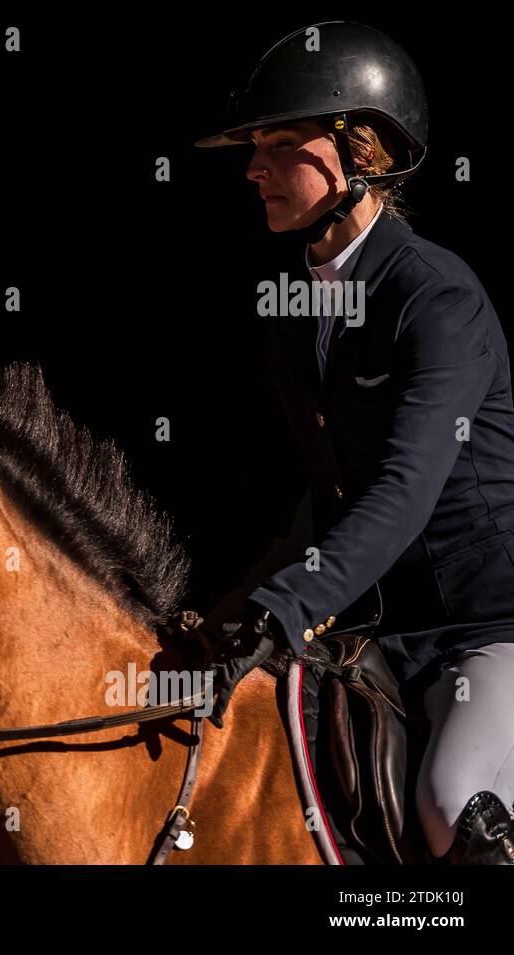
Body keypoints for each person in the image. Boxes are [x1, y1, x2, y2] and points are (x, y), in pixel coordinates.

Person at [193, 21, 514, 864]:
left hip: (488, 628)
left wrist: (286, 608)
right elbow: (323, 501)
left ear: (360, 155)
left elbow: (403, 492)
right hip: (383, 635)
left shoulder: (438, 299)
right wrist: (225, 618)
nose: (254, 167)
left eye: (279, 145)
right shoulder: (297, 317)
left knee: (452, 805)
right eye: (252, 147)